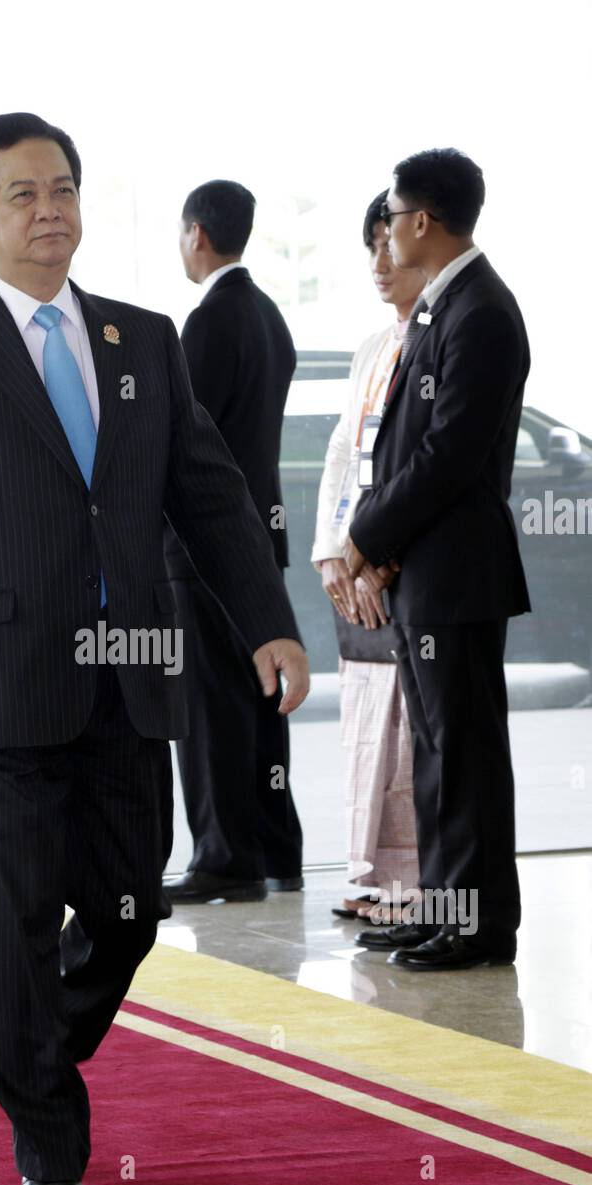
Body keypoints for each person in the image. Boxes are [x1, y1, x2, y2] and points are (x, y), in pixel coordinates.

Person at [0, 112, 309, 1185]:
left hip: (130, 674)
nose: (48, 210)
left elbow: (208, 496)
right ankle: (49, 1146)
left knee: (130, 906)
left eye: (62, 189)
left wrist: (266, 623)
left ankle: (25, 1025)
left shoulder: (143, 342)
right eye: (20, 195)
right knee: (11, 918)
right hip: (1, 683)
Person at [346, 148, 531, 971]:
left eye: (389, 217)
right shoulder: (440, 309)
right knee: (438, 752)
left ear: (422, 221)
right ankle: (443, 906)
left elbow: (450, 456)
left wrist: (367, 535)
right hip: (427, 567)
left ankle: (479, 925)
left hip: (458, 570)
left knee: (464, 755)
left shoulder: (481, 310)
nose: (383, 233)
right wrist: (383, 545)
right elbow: (405, 445)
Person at [164, 181, 303, 906]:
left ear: (196, 234)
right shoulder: (268, 316)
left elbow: (184, 445)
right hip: (260, 542)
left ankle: (224, 858)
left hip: (209, 553)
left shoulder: (209, 321)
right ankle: (275, 850)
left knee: (212, 706)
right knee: (261, 701)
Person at [312, 191, 423, 934]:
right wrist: (331, 555)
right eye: (370, 248)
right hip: (357, 572)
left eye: (390, 244)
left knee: (410, 743)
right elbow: (343, 454)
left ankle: (412, 887)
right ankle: (366, 877)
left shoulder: (436, 341)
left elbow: (431, 469)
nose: (380, 263)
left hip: (404, 572)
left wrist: (378, 560)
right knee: (363, 733)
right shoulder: (373, 348)